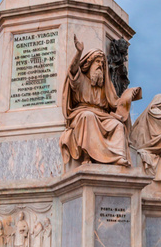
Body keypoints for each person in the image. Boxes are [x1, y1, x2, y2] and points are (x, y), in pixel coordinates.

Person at [60, 36, 141, 166]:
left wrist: (128, 95)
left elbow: (115, 103)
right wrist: (79, 53)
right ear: (89, 63)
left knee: (117, 125)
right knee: (89, 117)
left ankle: (117, 156)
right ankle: (88, 155)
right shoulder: (81, 79)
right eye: (97, 62)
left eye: (102, 64)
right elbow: (73, 70)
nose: (100, 65)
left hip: (102, 116)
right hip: (82, 113)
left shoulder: (105, 87)